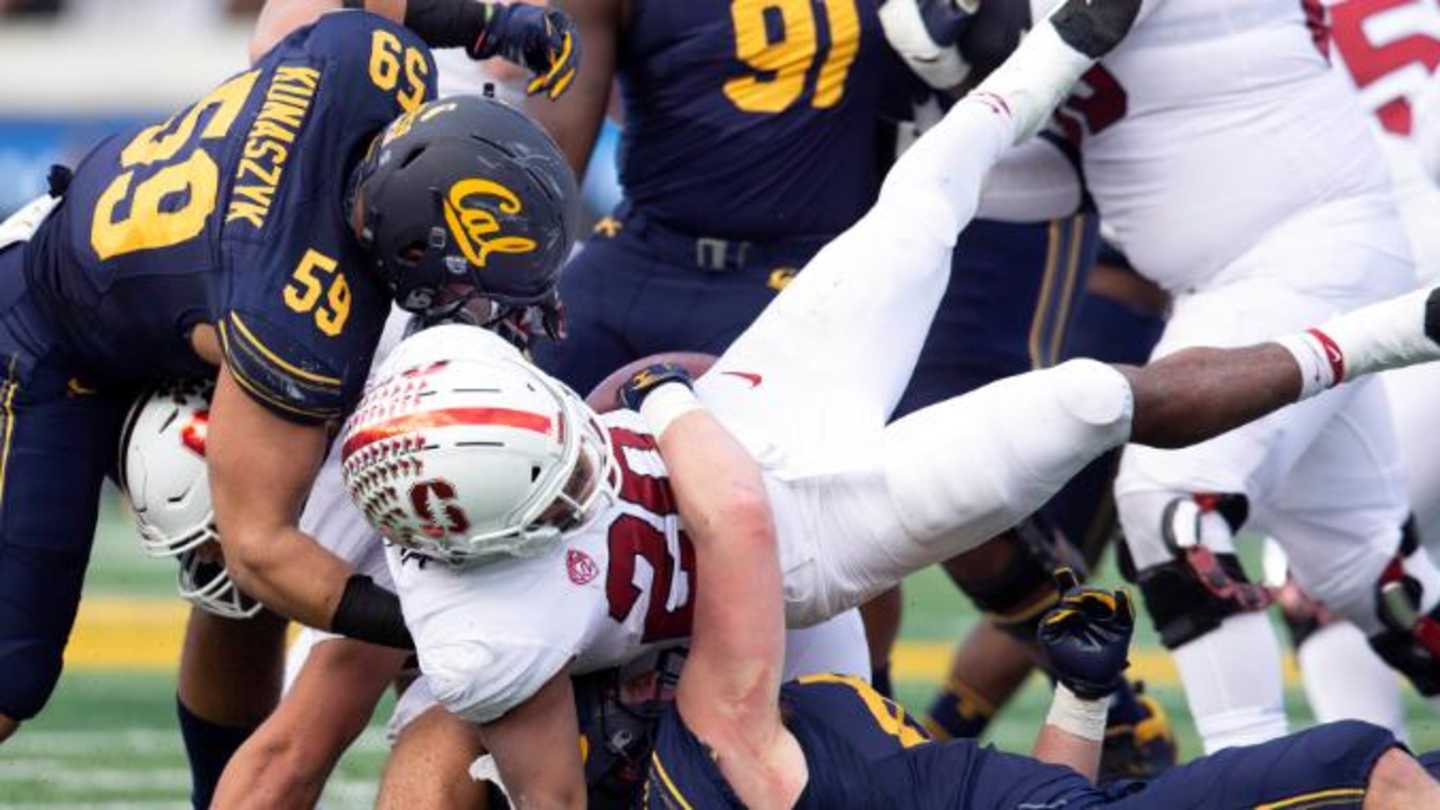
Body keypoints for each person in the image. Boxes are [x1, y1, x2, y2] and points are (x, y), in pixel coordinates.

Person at [344, 0, 1440, 801]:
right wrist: (673, 407)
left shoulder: (448, 391)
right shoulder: (485, 639)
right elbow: (732, 532)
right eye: (564, 479)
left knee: (920, 204)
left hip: (739, 414)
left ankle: (1064, 41)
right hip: (787, 542)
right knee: (1080, 405)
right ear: (503, 535)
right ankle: (1399, 332)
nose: (580, 471)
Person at [0, 2, 580, 805]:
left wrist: (477, 22)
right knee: (10, 676)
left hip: (137, 259)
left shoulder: (368, 59)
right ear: (410, 250)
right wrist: (419, 623)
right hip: (42, 334)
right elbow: (260, 550)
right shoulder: (301, 317)